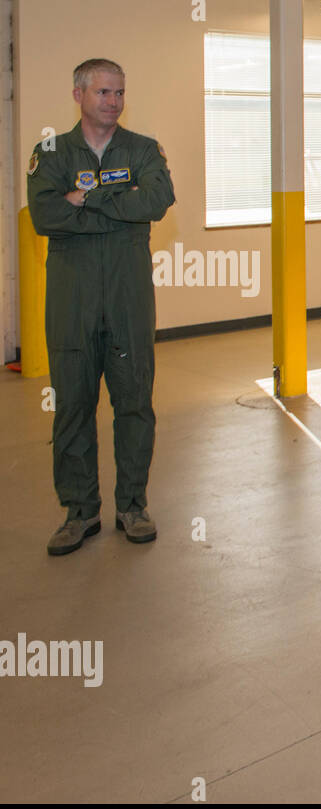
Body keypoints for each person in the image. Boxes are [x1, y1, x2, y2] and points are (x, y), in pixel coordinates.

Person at [26, 58, 175, 556]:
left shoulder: (143, 149)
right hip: (71, 300)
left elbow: (155, 200)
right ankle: (79, 512)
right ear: (78, 94)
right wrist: (116, 199)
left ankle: (132, 505)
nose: (113, 102)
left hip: (128, 299)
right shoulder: (49, 152)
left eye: (119, 93)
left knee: (134, 403)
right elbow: (44, 215)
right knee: (72, 405)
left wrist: (83, 199)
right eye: (103, 92)